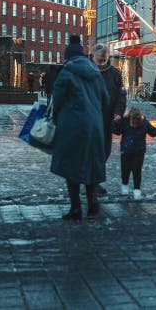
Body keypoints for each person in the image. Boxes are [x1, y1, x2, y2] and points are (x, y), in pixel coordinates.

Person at [51, 35, 111, 220]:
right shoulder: (95, 73)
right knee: (91, 163)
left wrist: (56, 119)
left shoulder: (67, 71)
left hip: (73, 125)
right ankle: (92, 203)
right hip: (94, 125)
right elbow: (106, 100)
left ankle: (76, 207)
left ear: (67, 57)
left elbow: (57, 100)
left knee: (72, 165)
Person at [91, 43, 127, 167]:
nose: (101, 61)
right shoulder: (87, 71)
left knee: (105, 147)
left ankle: (98, 170)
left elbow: (121, 95)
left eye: (104, 59)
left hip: (108, 117)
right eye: (99, 59)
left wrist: (118, 112)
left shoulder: (115, 73)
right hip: (90, 116)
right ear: (93, 57)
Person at [113, 106, 156, 199]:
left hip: (138, 152)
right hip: (127, 151)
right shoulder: (125, 122)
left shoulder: (144, 123)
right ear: (130, 119)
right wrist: (115, 122)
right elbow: (117, 131)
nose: (134, 125)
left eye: (136, 123)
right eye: (133, 123)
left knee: (136, 171)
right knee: (125, 171)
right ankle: (125, 187)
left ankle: (136, 190)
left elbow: (153, 132)